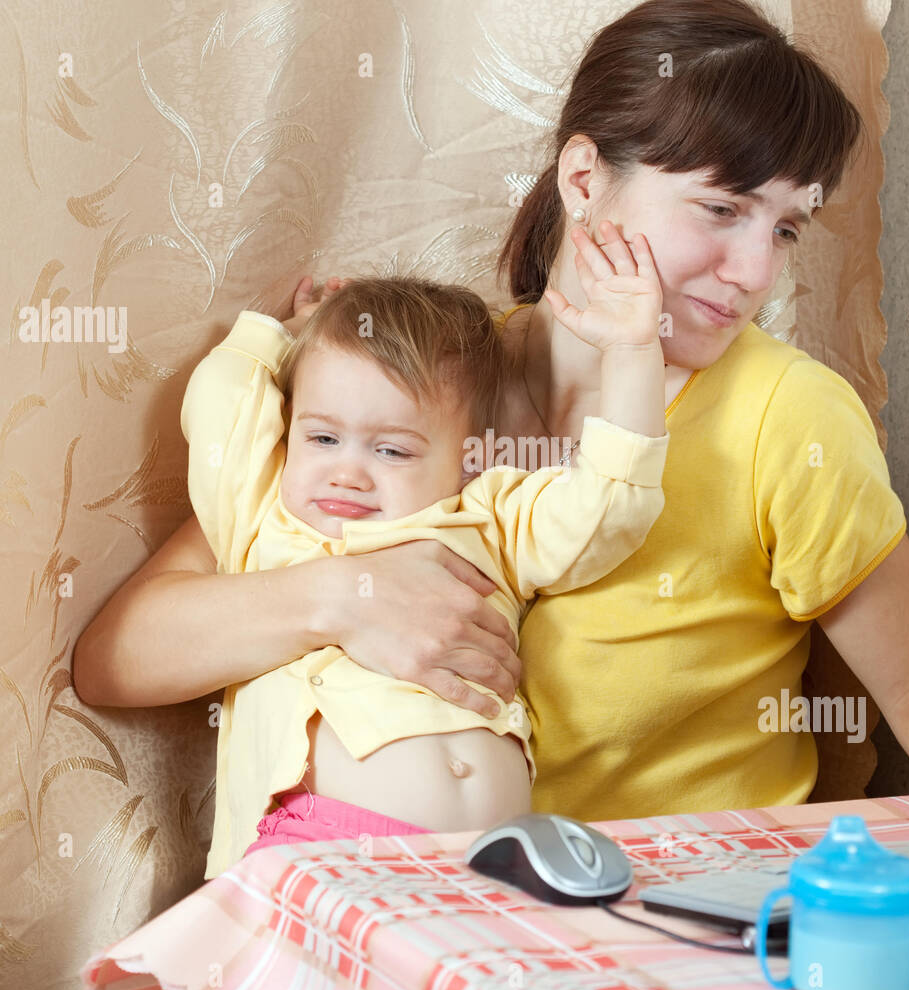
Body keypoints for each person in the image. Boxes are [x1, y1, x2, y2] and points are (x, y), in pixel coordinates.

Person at [66, 0, 909, 990]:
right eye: (720, 211)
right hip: (441, 955)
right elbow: (118, 655)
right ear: (583, 182)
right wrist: (348, 595)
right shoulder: (423, 378)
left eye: (784, 227)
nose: (757, 273)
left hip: (670, 967)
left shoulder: (784, 416)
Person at [182, 267, 668, 879]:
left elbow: (610, 507)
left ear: (474, 459)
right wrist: (287, 336)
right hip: (322, 846)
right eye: (324, 437)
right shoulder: (265, 521)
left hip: (493, 864)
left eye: (392, 450)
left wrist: (631, 355)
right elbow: (218, 404)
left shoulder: (488, 519)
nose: (348, 473)